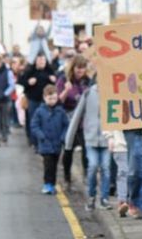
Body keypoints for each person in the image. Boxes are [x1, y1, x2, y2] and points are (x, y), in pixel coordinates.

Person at [67, 80, 112, 211]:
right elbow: (77, 116)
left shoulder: (111, 93)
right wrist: (69, 142)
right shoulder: (87, 94)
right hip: (91, 139)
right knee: (92, 166)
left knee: (105, 168)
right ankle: (92, 197)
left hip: (106, 139)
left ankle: (104, 198)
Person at [57, 54, 91, 190]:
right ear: (73, 67)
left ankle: (87, 176)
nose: (80, 71)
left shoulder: (87, 81)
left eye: (83, 68)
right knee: (68, 149)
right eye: (78, 68)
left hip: (83, 119)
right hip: (68, 119)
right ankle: (67, 178)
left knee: (86, 148)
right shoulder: (64, 79)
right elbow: (59, 100)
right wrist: (66, 90)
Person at [31, 85, 70, 195]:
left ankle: (52, 184)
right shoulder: (39, 111)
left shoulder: (60, 112)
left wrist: (63, 137)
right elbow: (34, 125)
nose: (52, 101)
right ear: (44, 98)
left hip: (57, 143)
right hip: (45, 144)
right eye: (50, 98)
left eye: (54, 98)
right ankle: (47, 184)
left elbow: (66, 126)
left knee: (54, 165)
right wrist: (41, 136)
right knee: (48, 165)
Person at [20, 53, 58, 149]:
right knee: (34, 121)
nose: (41, 62)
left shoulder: (50, 71)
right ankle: (34, 142)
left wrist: (54, 80)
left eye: (43, 60)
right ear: (36, 61)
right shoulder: (30, 71)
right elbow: (21, 81)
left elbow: (57, 83)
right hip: (33, 100)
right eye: (39, 60)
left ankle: (44, 141)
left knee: (46, 121)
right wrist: (28, 82)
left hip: (46, 101)